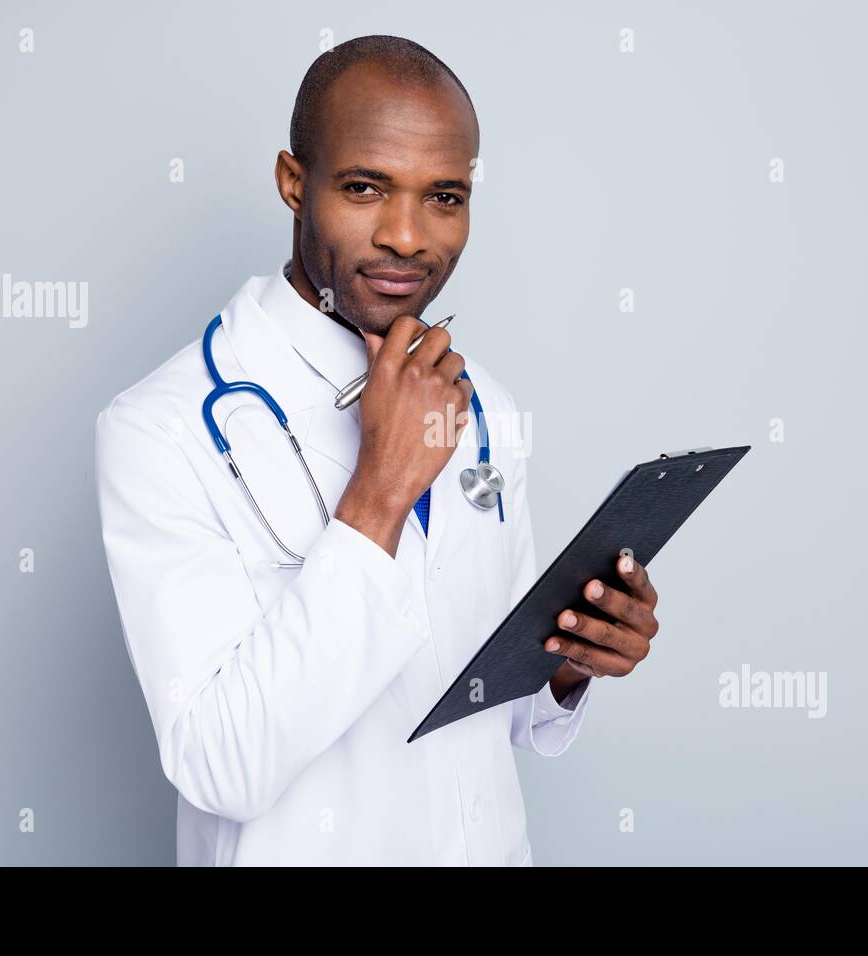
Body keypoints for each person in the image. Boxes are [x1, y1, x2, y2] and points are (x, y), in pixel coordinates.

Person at [94, 34, 660, 866]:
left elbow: (491, 706)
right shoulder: (162, 427)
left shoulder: (483, 403)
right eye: (365, 188)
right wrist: (378, 497)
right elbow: (219, 765)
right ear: (295, 183)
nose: (406, 236)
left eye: (444, 196)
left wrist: (576, 659)